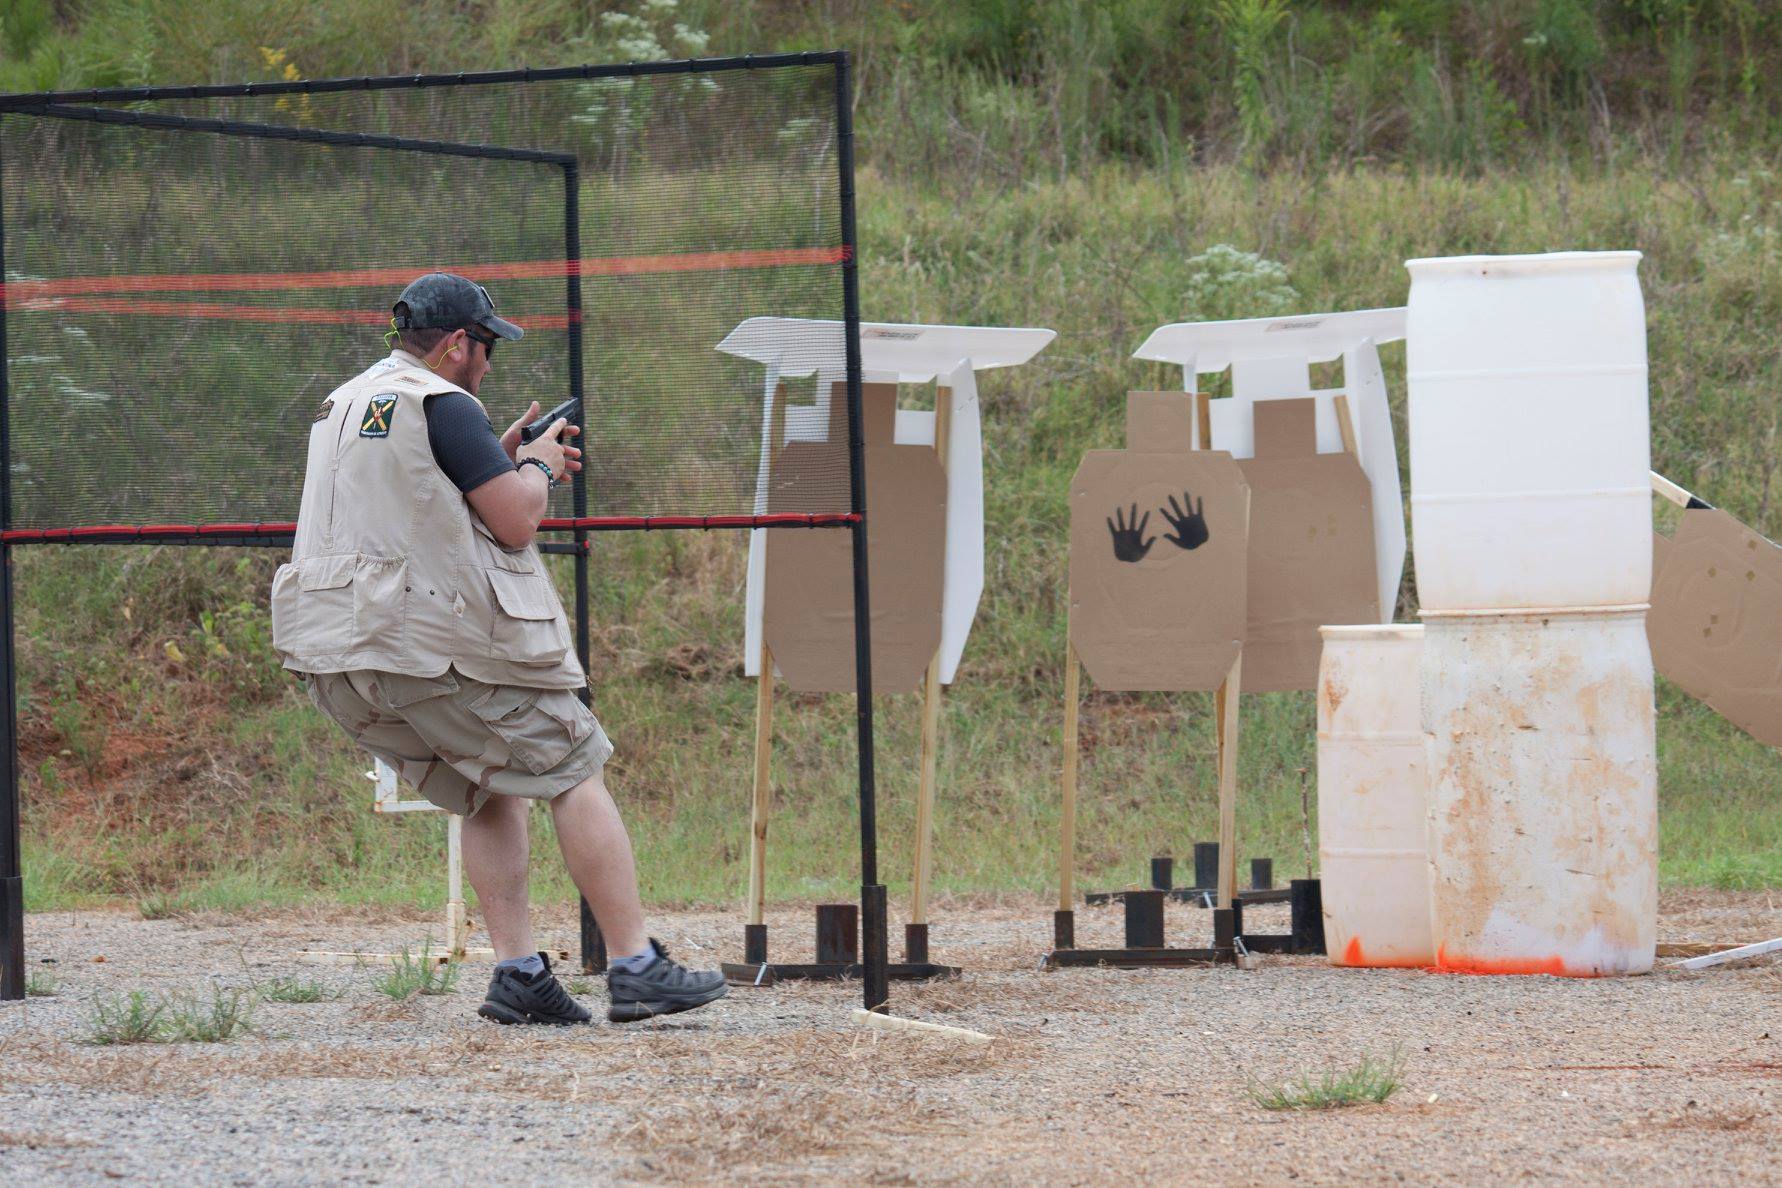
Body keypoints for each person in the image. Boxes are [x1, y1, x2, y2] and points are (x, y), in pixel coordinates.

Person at [270, 272, 727, 1025]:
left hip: (337, 652)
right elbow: (515, 519)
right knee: (574, 765)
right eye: (486, 346)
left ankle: (519, 975)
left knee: (483, 785)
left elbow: (410, 498)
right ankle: (636, 964)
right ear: (457, 344)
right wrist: (538, 468)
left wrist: (496, 457)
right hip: (427, 645)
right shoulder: (444, 403)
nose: (488, 363)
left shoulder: (345, 402)